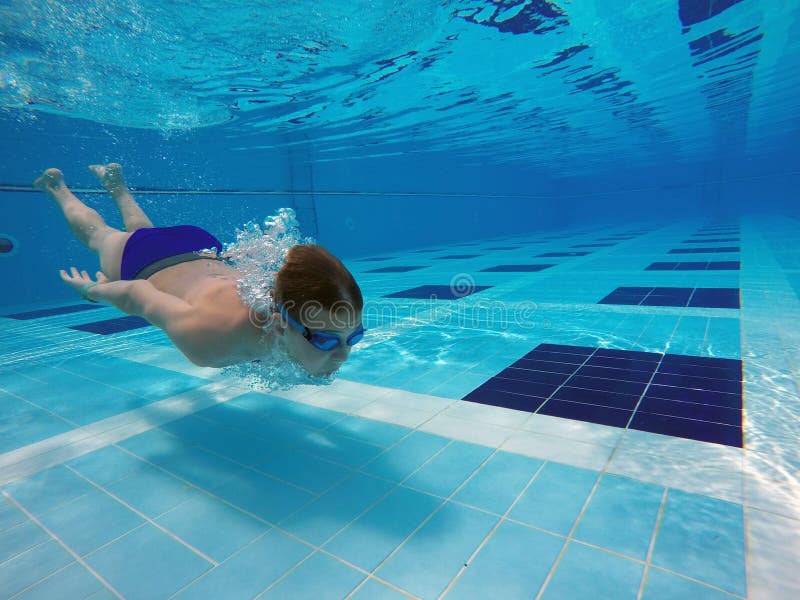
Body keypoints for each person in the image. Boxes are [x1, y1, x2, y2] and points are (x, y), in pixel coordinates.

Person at [33, 164, 364, 376]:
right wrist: (92, 291)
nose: (344, 356)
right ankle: (57, 188)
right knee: (98, 236)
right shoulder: (211, 339)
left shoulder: (290, 309)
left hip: (204, 246)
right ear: (279, 326)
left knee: (142, 229)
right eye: (325, 341)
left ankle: (117, 188)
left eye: (355, 336)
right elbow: (139, 294)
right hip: (148, 260)